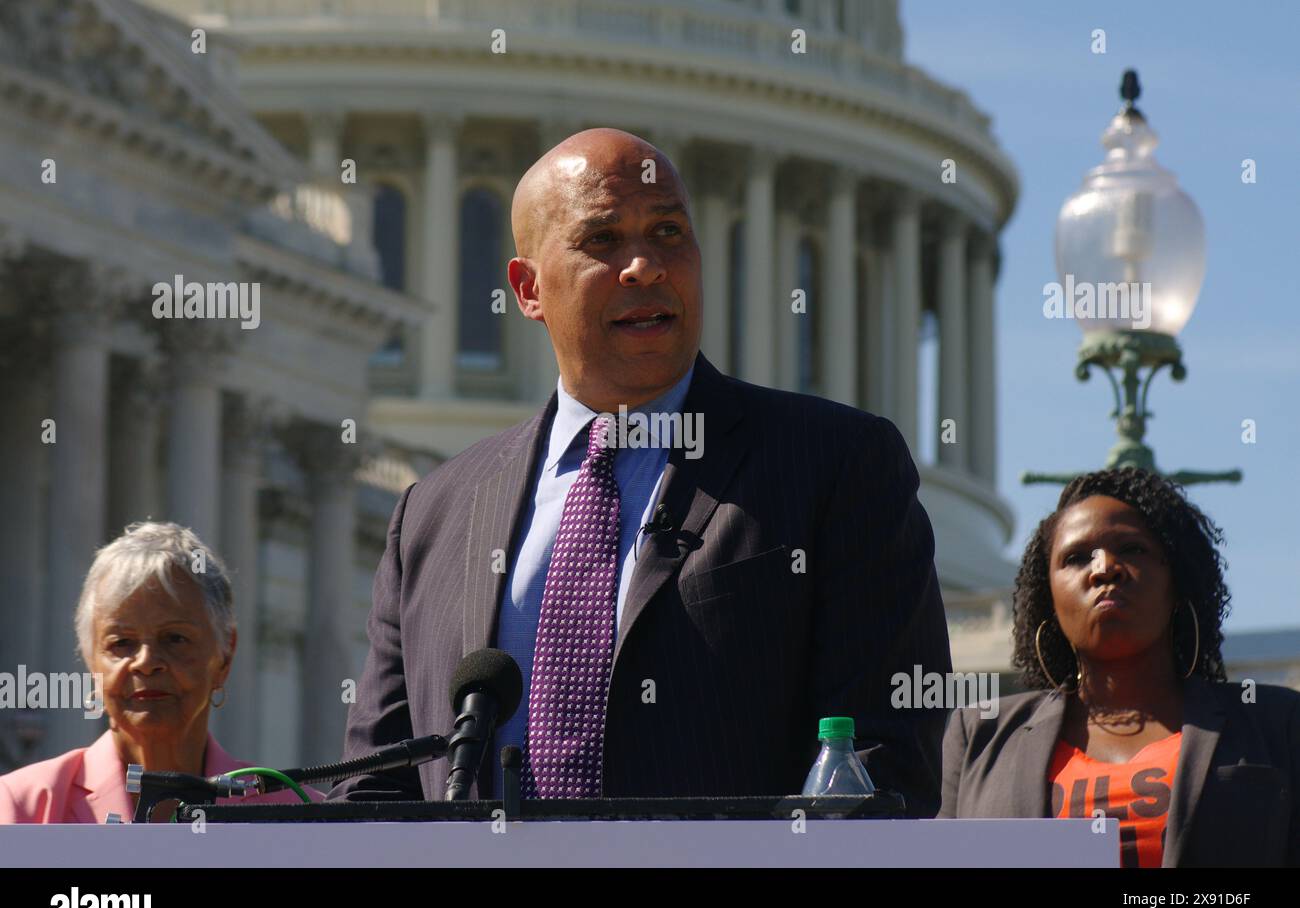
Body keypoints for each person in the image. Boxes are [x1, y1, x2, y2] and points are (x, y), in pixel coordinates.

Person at [330, 128, 951, 814]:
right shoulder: (433, 514)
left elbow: (881, 764)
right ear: (529, 288)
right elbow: (373, 786)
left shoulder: (835, 465)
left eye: (668, 231)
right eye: (602, 240)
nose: (645, 266)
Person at [939, 469, 1298, 866]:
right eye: (1076, 558)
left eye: (1131, 549)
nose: (1104, 568)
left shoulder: (1276, 724)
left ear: (1177, 581)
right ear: (1049, 596)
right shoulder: (980, 735)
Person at [0, 522, 323, 823]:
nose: (146, 661)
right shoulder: (21, 808)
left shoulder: (301, 816)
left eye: (174, 638)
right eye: (122, 642)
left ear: (225, 654)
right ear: (91, 661)